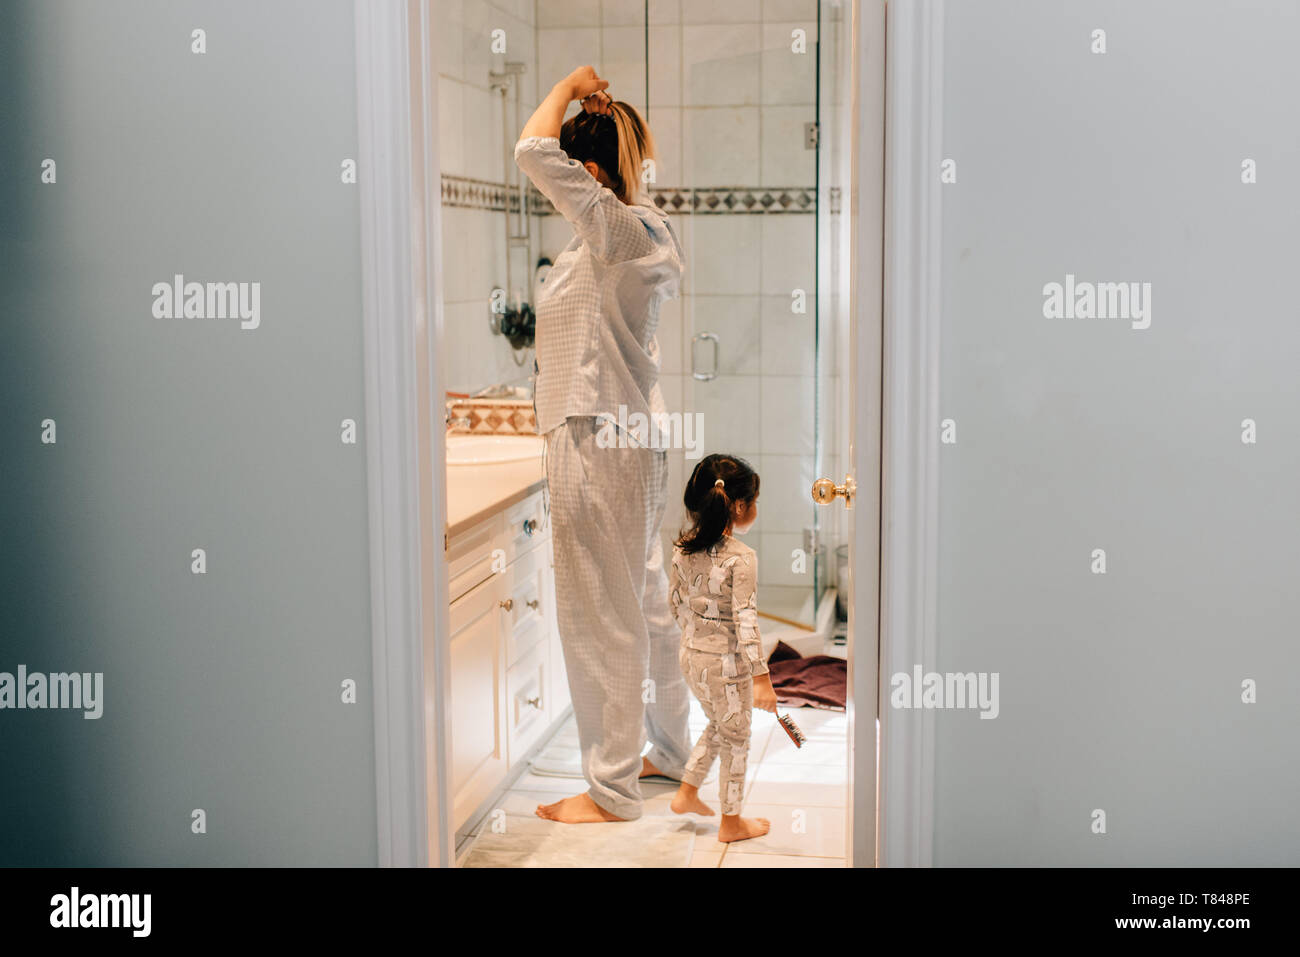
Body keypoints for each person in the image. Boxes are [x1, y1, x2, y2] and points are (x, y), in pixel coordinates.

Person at [514, 66, 692, 824]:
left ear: (587, 174)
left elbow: (529, 148)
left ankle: (611, 789)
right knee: (646, 602)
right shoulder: (642, 231)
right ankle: (673, 754)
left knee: (600, 615)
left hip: (594, 438)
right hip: (628, 435)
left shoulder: (617, 231)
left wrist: (568, 84)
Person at [668, 454, 776, 843]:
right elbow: (746, 621)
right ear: (741, 506)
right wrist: (761, 677)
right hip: (727, 668)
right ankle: (731, 823)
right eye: (755, 499)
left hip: (690, 657)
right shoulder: (741, 559)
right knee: (736, 738)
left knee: (718, 725)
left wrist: (695, 639)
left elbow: (675, 602)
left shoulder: (681, 549)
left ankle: (687, 792)